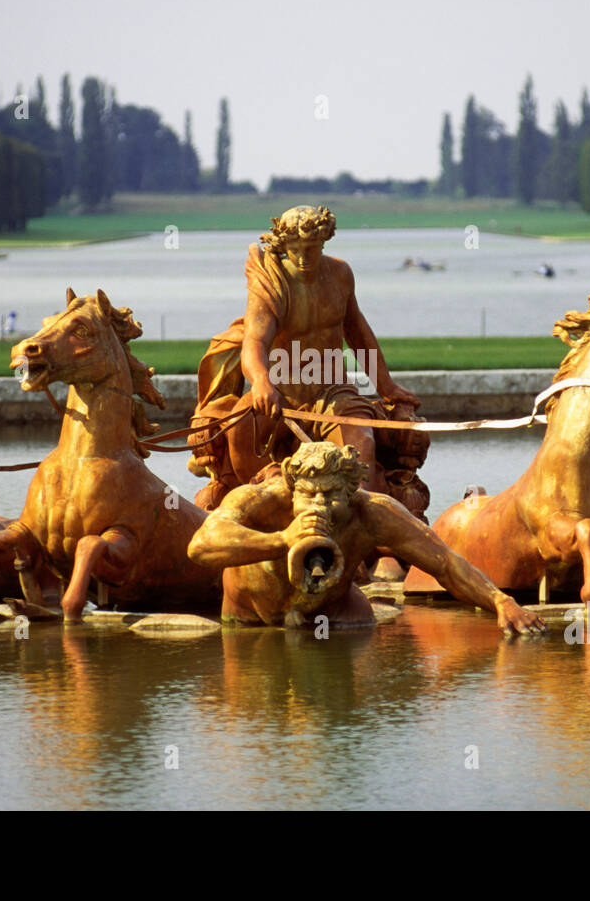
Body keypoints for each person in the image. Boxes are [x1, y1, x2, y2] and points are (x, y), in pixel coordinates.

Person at [187, 206, 429, 517]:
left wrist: (385, 385)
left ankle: (366, 523)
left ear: (324, 242)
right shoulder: (272, 283)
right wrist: (261, 381)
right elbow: (255, 343)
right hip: (279, 395)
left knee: (361, 443)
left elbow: (358, 332)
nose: (303, 257)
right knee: (240, 428)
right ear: (284, 246)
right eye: (296, 250)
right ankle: (265, 512)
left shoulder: (340, 275)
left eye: (311, 249)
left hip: (332, 392)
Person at [188, 442, 544, 635]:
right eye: (309, 495)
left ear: (352, 491)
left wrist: (500, 601)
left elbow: (446, 563)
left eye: (331, 496)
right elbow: (201, 545)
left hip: (328, 612)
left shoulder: (374, 512)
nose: (319, 506)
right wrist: (282, 539)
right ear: (292, 488)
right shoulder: (265, 499)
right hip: (250, 615)